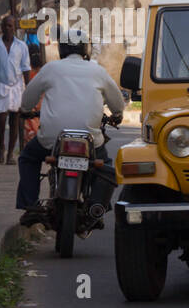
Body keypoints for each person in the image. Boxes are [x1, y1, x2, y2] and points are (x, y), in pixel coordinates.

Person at [16, 33, 126, 226]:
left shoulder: (50, 68)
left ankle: (31, 205)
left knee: (28, 158)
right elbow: (117, 103)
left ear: (62, 49)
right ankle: (96, 208)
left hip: (52, 139)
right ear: (86, 49)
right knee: (106, 167)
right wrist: (117, 114)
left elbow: (28, 97)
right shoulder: (97, 71)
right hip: (89, 140)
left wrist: (26, 111)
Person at [0, 15, 32, 164]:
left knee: (15, 120)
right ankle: (1, 145)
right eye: (5, 26)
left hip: (17, 87)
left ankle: (11, 153)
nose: (7, 28)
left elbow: (26, 69)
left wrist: (29, 91)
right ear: (1, 27)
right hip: (1, 86)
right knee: (0, 119)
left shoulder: (21, 46)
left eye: (10, 26)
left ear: (14, 27)